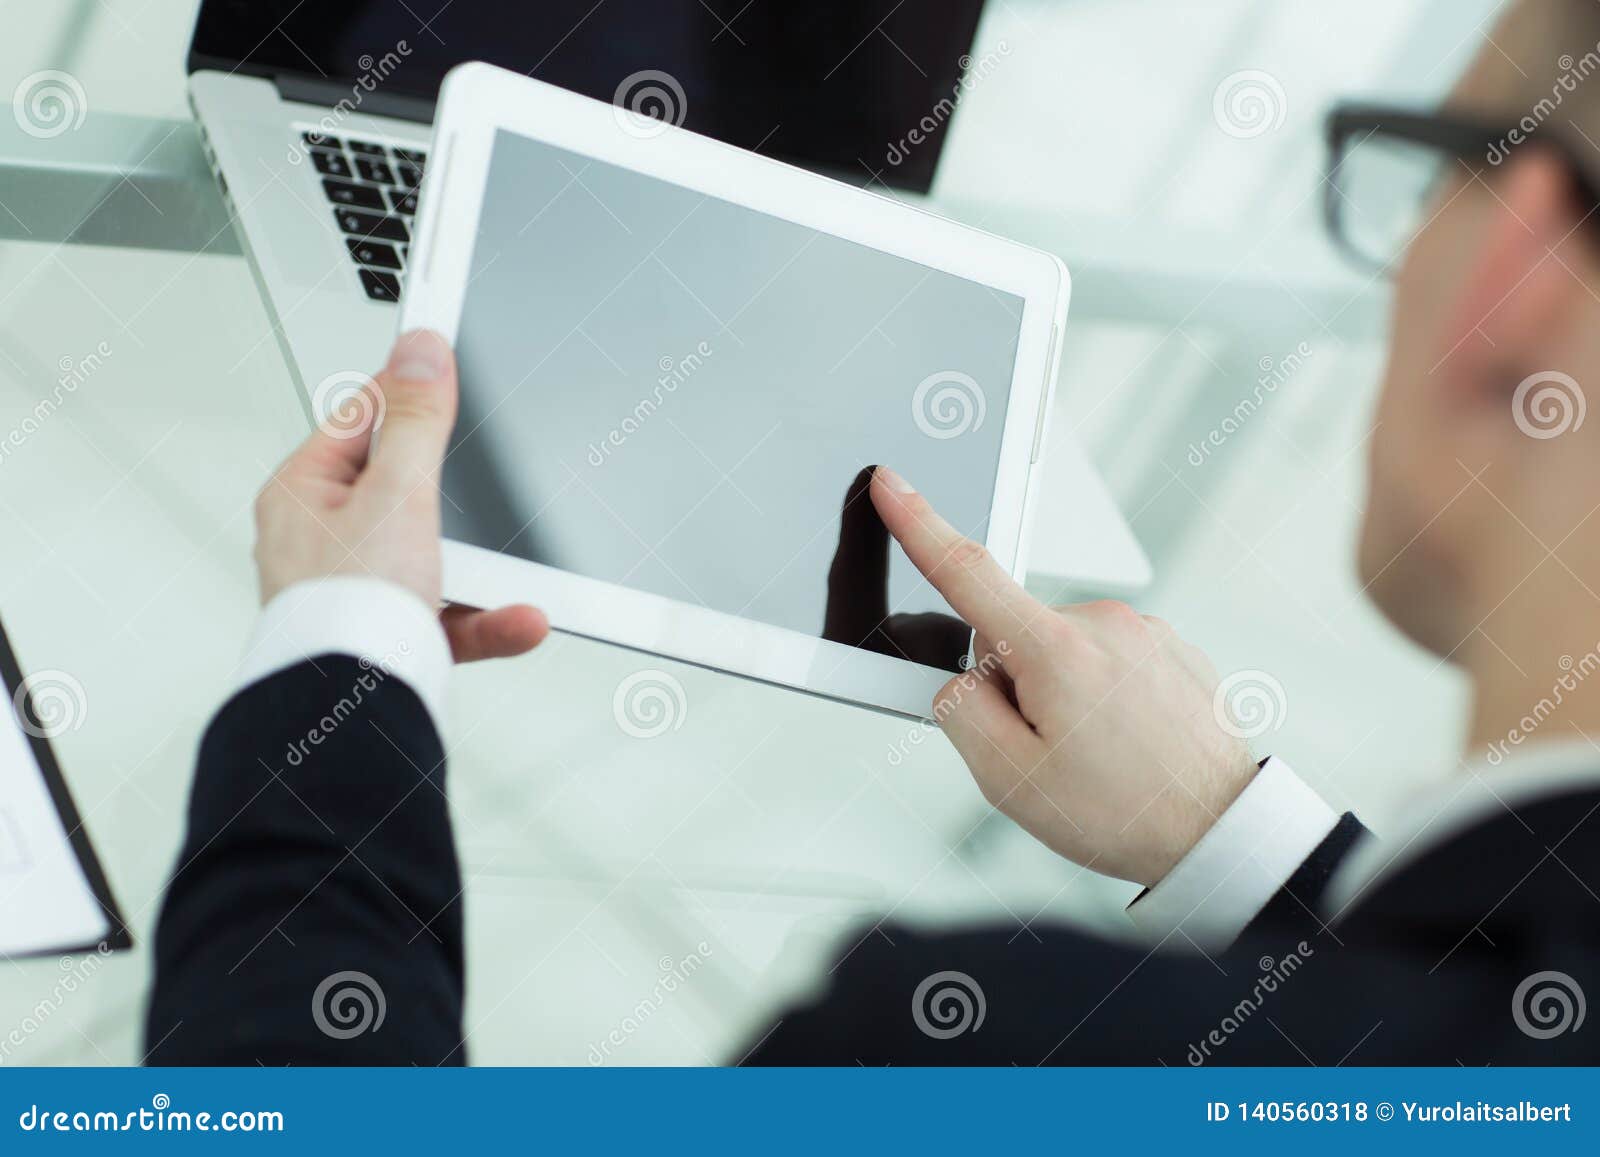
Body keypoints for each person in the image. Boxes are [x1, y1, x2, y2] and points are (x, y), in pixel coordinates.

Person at [147, 0, 1600, 1065]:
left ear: (1516, 274)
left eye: (1420, 175)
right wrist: (1236, 836)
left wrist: (342, 652)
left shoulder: (981, 1055)